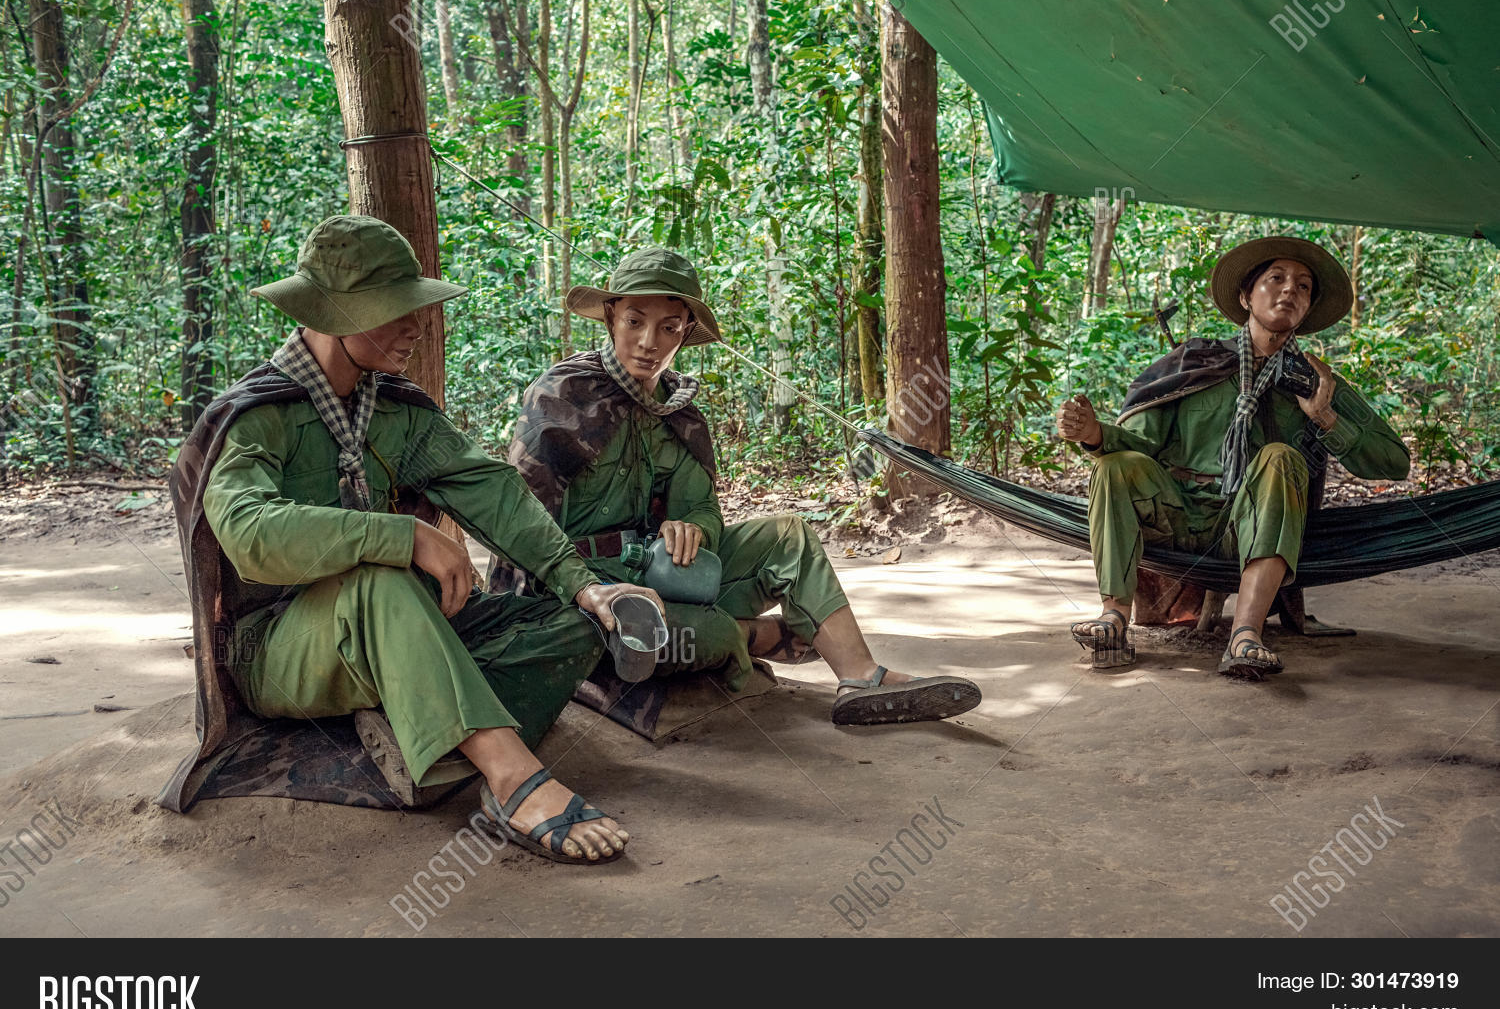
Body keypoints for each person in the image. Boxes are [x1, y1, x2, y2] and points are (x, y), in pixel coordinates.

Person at [180, 214, 664, 864]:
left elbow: (490, 490)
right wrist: (401, 535)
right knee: (379, 577)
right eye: (394, 310)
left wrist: (584, 586)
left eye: (416, 308)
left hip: (399, 626)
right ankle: (510, 778)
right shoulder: (258, 418)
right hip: (279, 652)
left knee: (575, 623)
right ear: (334, 314)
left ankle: (427, 739)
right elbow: (250, 536)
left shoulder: (391, 411)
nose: (416, 325)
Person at [493, 246, 983, 723]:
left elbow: (702, 508)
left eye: (669, 328)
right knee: (706, 635)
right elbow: (517, 522)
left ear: (686, 332)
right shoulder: (562, 393)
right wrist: (570, 595)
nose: (649, 342)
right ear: (610, 317)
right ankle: (757, 636)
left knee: (789, 537)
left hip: (659, 572)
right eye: (634, 321)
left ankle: (861, 678)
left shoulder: (679, 413)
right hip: (580, 593)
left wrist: (693, 527)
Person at [1055, 236, 1410, 678]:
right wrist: (1093, 434)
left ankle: (1245, 636)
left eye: (1303, 286)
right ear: (1246, 296)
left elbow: (1394, 463)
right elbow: (1140, 446)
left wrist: (1326, 417)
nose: (1290, 290)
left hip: (1250, 527)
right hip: (1175, 516)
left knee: (1280, 457)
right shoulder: (1195, 361)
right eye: (1276, 278)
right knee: (1113, 465)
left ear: (1307, 309)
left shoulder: (1316, 383)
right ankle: (1113, 619)